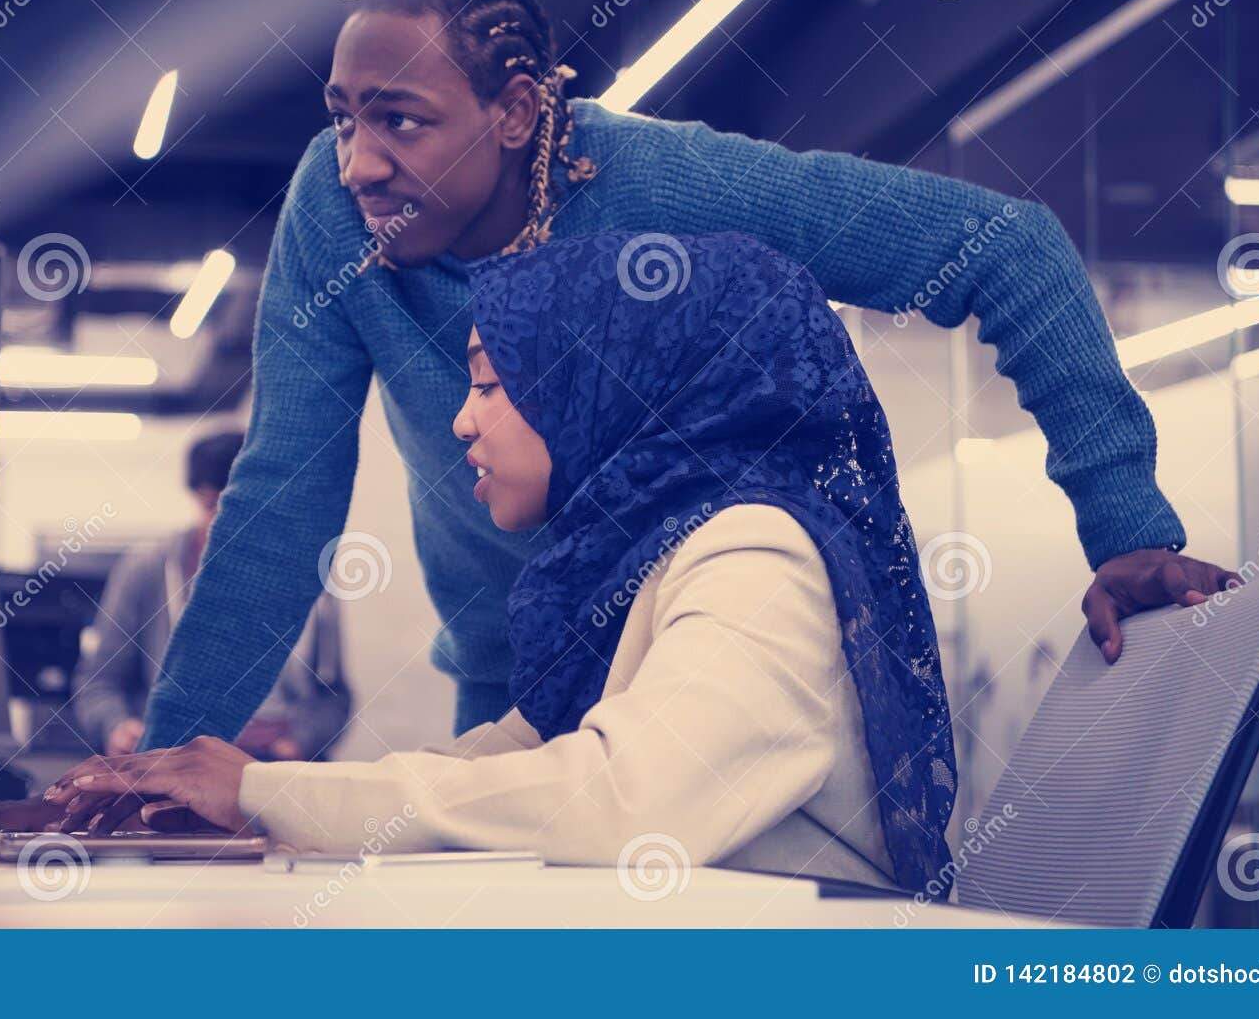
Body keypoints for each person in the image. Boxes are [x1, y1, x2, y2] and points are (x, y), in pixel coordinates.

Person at [139, 0, 1240, 753]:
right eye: (340, 119)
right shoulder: (335, 218)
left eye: (400, 121)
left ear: (518, 110)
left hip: (698, 680)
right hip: (509, 687)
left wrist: (1127, 530)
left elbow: (1005, 245)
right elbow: (282, 488)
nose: (357, 162)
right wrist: (167, 760)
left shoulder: (660, 189)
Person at [46, 232, 958, 895]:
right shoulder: (645, 557)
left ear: (598, 385)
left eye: (487, 381)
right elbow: (513, 756)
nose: (462, 419)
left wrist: (262, 789)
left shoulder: (755, 553)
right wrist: (257, 798)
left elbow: (621, 801)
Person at [70, 431, 348, 762]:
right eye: (212, 506)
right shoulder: (147, 569)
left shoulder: (310, 575)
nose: (225, 525)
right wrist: (116, 726)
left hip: (275, 770)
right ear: (197, 498)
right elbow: (98, 684)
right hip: (174, 763)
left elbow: (334, 698)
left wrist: (297, 744)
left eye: (243, 509)